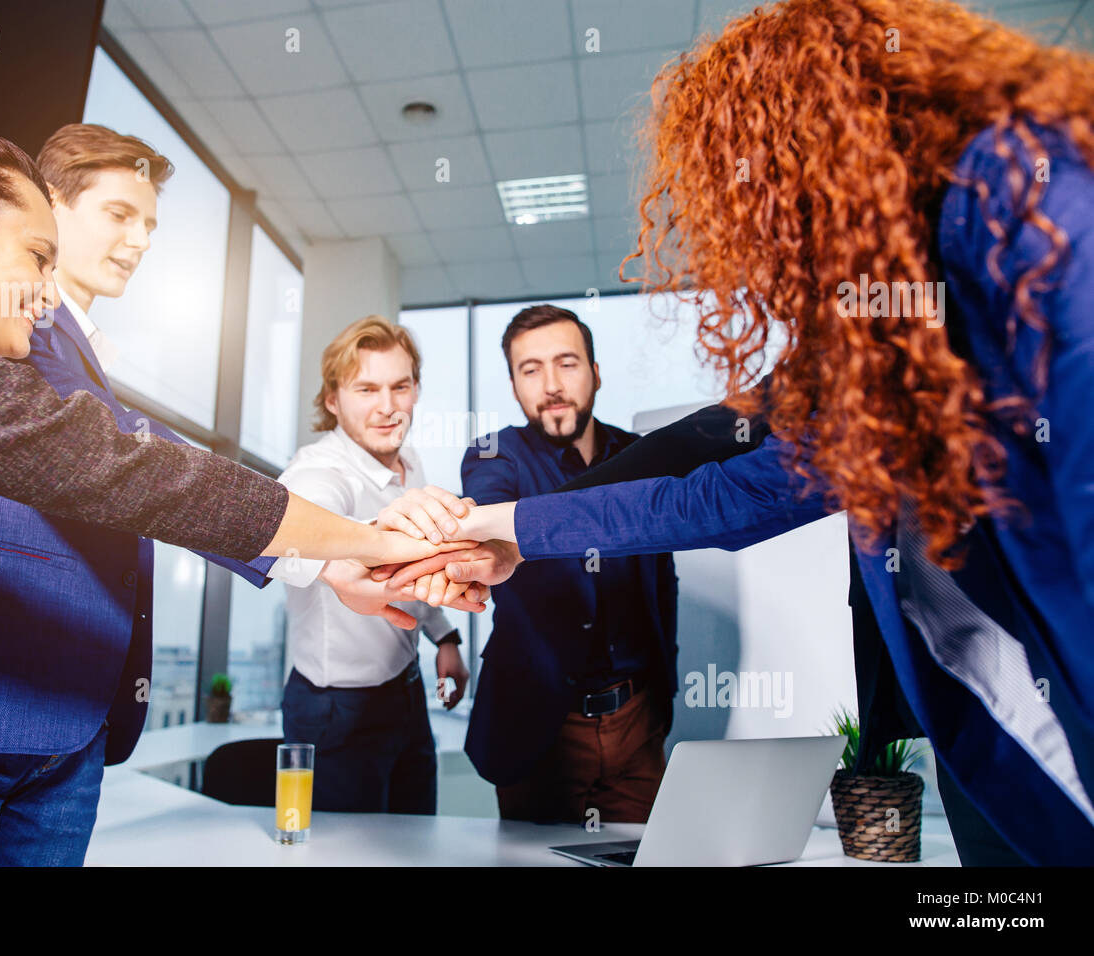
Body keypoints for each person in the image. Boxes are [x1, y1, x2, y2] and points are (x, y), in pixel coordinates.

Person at [379, 0, 1094, 865]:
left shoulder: (1033, 211)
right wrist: (503, 527)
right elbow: (722, 488)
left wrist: (504, 530)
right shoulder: (886, 331)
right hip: (1010, 764)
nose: (753, 229)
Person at [0, 118, 461, 865]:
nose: (44, 290)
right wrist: (371, 541)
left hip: (57, 727)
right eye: (38, 254)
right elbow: (140, 472)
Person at [0, 123, 273, 866]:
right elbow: (131, 461)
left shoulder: (79, 345)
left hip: (68, 732)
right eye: (119, 215)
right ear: (51, 207)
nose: (139, 240)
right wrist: (319, 550)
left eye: (151, 224)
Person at [457, 304, 678, 823]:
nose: (551, 384)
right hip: (538, 725)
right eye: (530, 370)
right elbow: (490, 516)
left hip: (636, 721)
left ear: (596, 373)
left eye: (567, 363)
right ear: (514, 386)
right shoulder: (494, 456)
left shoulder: (640, 455)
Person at [268, 317, 471, 815]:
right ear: (333, 400)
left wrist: (444, 638)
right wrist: (336, 561)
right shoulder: (319, 471)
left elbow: (412, 570)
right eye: (366, 389)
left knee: (416, 839)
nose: (387, 407)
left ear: (416, 390)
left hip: (406, 686)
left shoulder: (411, 463)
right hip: (335, 708)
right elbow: (274, 534)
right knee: (349, 854)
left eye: (400, 386)